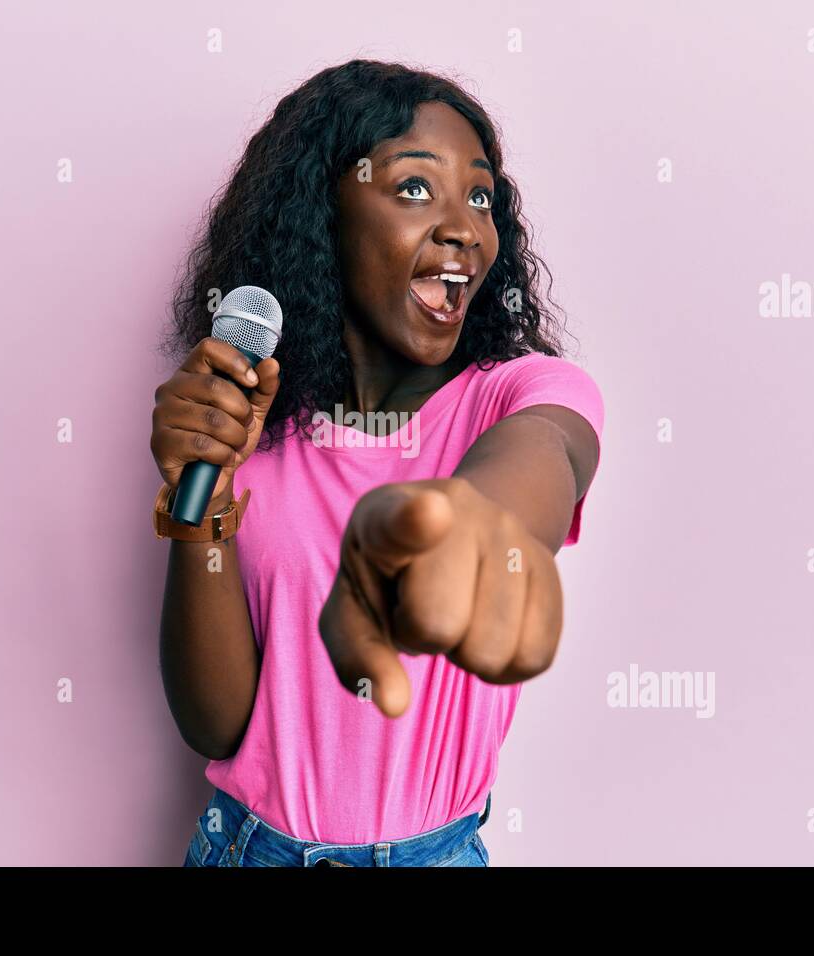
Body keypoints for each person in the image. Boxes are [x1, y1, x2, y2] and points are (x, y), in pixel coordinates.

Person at [152, 59, 604, 867]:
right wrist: (203, 497)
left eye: (481, 196)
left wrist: (458, 527)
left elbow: (546, 451)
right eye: (415, 188)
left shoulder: (519, 393)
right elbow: (217, 726)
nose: (466, 225)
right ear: (323, 214)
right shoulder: (251, 425)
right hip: (247, 850)